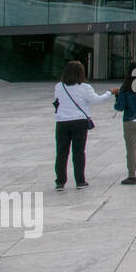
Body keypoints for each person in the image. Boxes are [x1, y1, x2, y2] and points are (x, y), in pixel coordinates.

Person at [52, 60, 112, 190]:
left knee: (61, 152)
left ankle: (60, 182)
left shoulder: (59, 86)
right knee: (78, 152)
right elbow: (97, 100)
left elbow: (57, 100)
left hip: (62, 122)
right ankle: (80, 181)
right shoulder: (85, 88)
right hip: (79, 122)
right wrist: (110, 93)